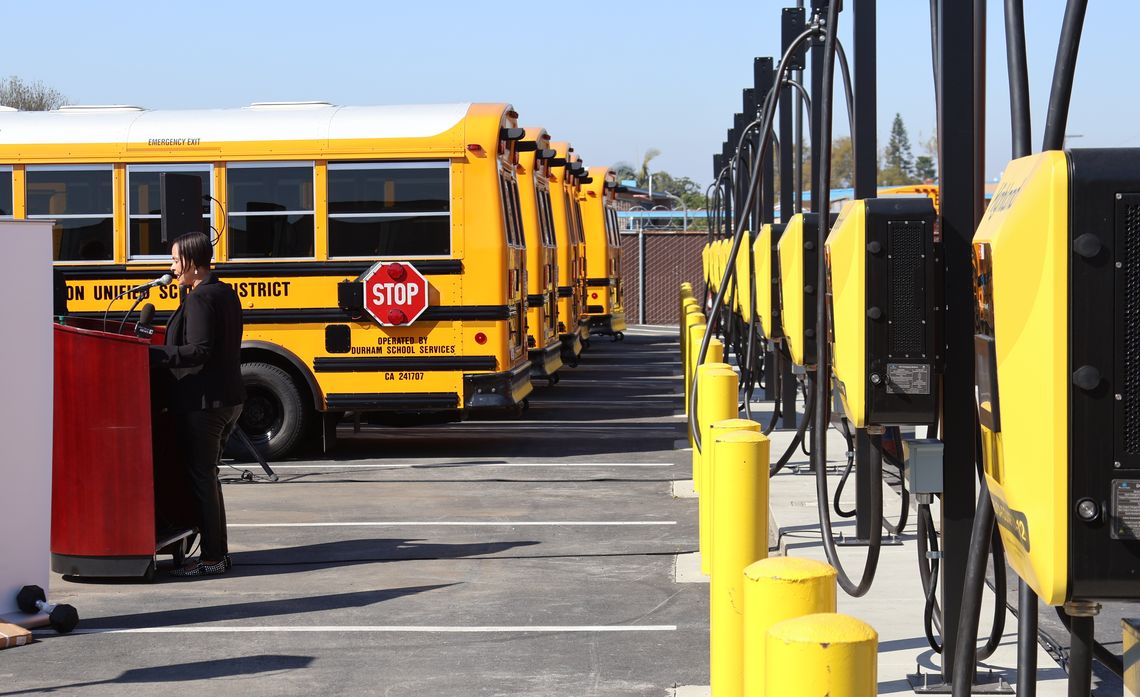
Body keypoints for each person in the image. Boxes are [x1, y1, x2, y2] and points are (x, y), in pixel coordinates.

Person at [150, 231, 245, 577]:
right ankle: (216, 553)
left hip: (206, 403)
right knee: (209, 478)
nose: (172, 267)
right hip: (226, 399)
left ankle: (213, 558)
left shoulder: (201, 298)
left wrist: (151, 355)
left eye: (176, 260)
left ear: (191, 260)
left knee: (202, 479)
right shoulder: (223, 292)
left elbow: (199, 351)